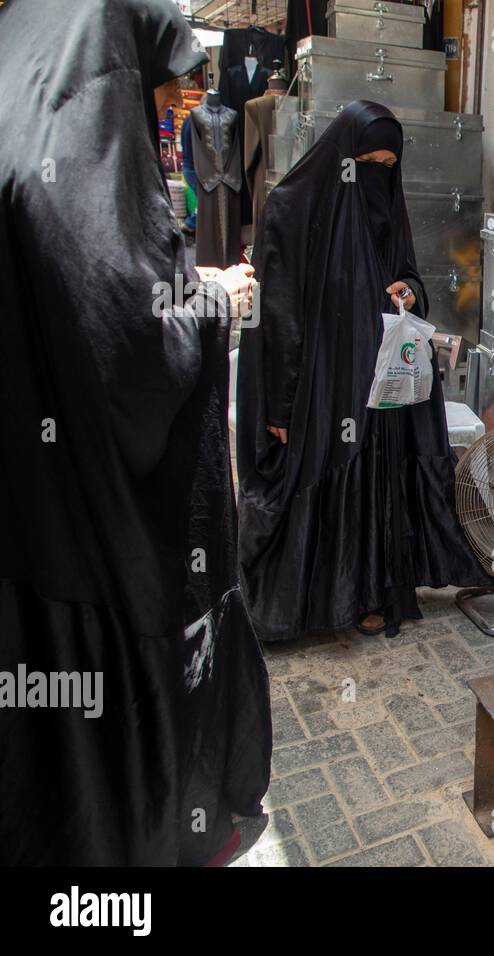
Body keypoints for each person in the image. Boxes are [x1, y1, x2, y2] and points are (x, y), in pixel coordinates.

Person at [0, 0, 272, 864]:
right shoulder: (75, 156)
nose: (165, 116)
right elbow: (128, 350)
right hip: (92, 565)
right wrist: (212, 301)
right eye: (157, 100)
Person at [237, 100, 492, 642]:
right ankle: (316, 599)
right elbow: (277, 318)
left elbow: (407, 273)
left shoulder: (384, 209)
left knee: (375, 483)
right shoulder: (292, 208)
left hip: (381, 384)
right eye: (366, 163)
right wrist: (280, 408)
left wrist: (410, 291)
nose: (377, 176)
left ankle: (371, 592)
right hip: (322, 390)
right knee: (328, 481)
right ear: (342, 156)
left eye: (387, 166)